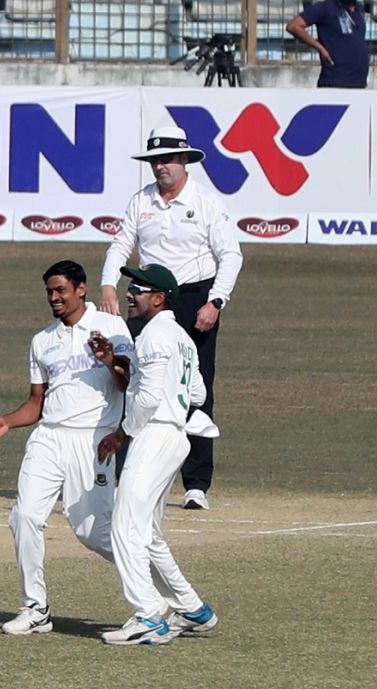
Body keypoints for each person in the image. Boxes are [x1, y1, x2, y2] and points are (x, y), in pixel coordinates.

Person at [0, 260, 134, 636]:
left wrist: (110, 359)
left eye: (60, 290)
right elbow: (37, 401)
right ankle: (35, 608)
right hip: (48, 438)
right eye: (49, 292)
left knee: (93, 533)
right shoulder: (42, 340)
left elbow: (129, 383)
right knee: (25, 517)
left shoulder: (112, 327)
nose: (54, 298)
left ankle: (153, 597)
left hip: (92, 438)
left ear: (81, 289)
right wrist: (8, 422)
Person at [100, 126, 243, 511]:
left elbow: (231, 255)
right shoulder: (141, 201)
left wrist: (216, 301)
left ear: (184, 160)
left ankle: (196, 484)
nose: (160, 167)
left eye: (166, 160)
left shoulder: (207, 202)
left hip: (195, 298)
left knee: (195, 387)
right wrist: (108, 285)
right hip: (149, 299)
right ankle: (124, 472)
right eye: (154, 162)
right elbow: (121, 245)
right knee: (130, 378)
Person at [97, 264, 218, 646]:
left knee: (125, 527)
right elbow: (196, 393)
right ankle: (192, 608)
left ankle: (148, 616)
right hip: (175, 437)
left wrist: (122, 433)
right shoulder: (181, 338)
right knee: (146, 533)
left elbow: (148, 398)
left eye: (138, 289)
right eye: (130, 287)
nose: (129, 294)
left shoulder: (152, 336)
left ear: (159, 297)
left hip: (154, 436)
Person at [286, 0, 369, 89]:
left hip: (359, 81)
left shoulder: (359, 8)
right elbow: (293, 26)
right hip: (335, 79)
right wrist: (320, 48)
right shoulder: (326, 8)